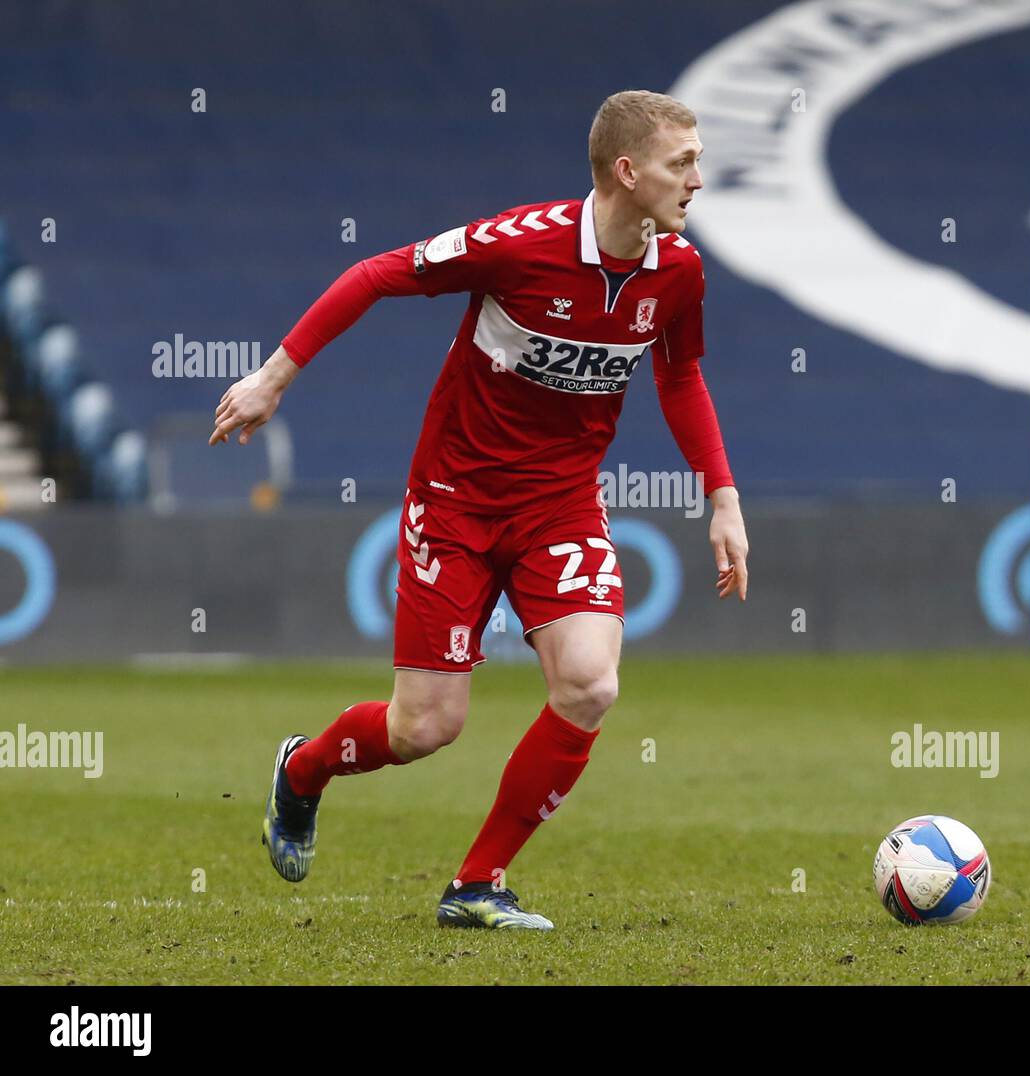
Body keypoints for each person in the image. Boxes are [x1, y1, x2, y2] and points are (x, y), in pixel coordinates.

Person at [211, 89, 749, 929]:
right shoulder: (519, 244)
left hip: (562, 504)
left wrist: (721, 495)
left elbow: (680, 378)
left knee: (590, 684)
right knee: (426, 727)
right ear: (626, 169)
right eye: (684, 162)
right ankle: (306, 769)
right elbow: (374, 274)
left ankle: (476, 885)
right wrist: (273, 377)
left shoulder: (677, 271)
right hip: (456, 501)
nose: (699, 180)